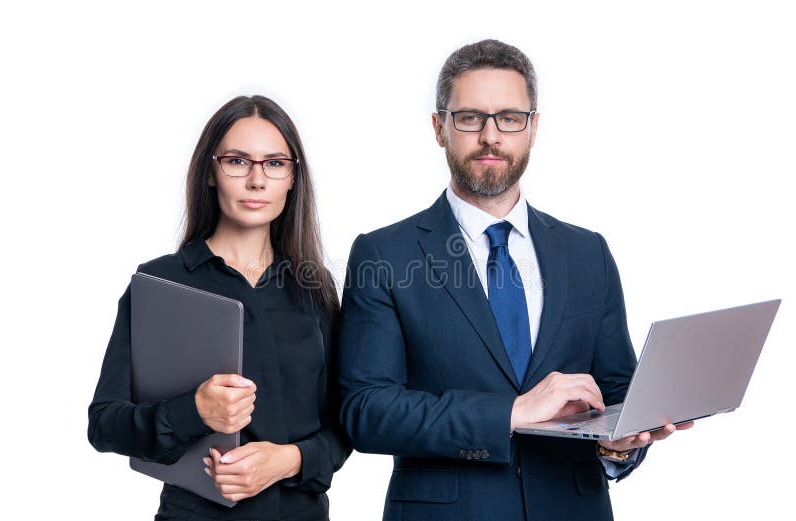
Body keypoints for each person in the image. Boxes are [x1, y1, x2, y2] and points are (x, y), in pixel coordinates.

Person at [337, 39, 692, 521]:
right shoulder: (385, 254)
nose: (490, 136)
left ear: (533, 127)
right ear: (439, 128)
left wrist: (621, 444)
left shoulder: (587, 252)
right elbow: (367, 411)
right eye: (469, 117)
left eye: (509, 118)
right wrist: (510, 413)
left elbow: (616, 392)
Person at [88, 95, 351, 521]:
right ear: (211, 172)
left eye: (275, 163)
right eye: (237, 161)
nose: (257, 181)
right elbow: (104, 424)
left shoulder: (314, 286)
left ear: (292, 178)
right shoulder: (160, 284)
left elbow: (344, 422)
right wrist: (193, 411)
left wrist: (290, 460)